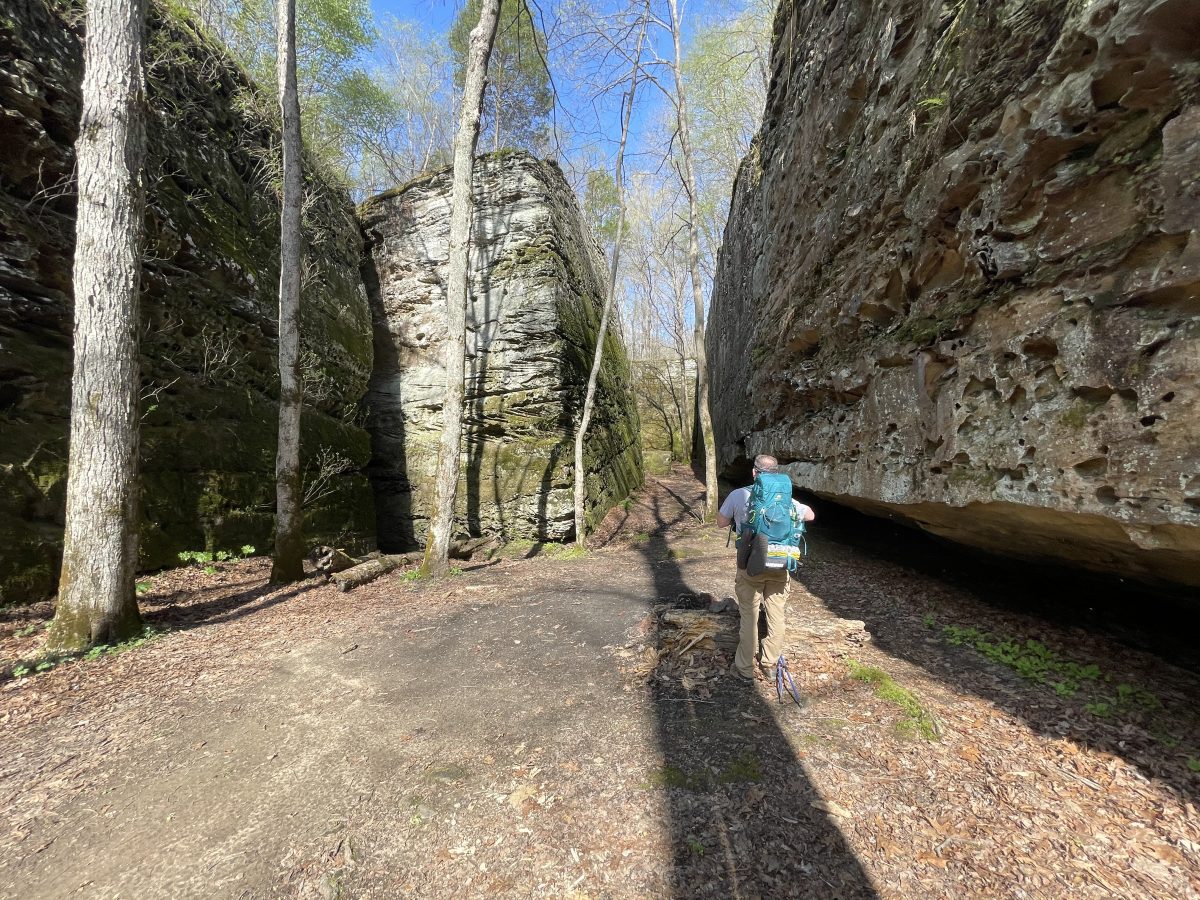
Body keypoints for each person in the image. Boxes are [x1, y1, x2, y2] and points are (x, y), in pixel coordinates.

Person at [715, 454, 815, 681]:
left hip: (751, 562)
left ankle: (744, 668)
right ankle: (770, 664)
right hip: (780, 564)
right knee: (776, 615)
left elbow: (720, 522)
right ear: (776, 473)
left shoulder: (740, 494)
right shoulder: (785, 498)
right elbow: (810, 515)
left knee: (749, 616)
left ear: (754, 472)